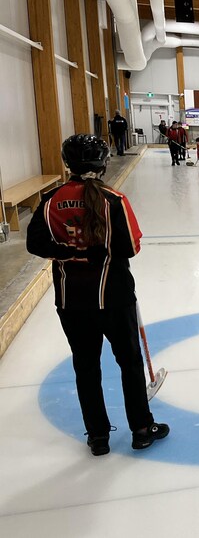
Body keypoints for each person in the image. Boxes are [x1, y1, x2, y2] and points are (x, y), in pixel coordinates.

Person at [26, 134, 169, 456]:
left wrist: (69, 251)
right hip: (114, 296)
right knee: (129, 363)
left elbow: (35, 244)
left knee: (86, 366)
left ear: (68, 163)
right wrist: (95, 250)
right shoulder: (113, 199)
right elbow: (130, 247)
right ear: (103, 163)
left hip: (71, 300)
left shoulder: (50, 200)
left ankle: (98, 436)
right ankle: (141, 429)